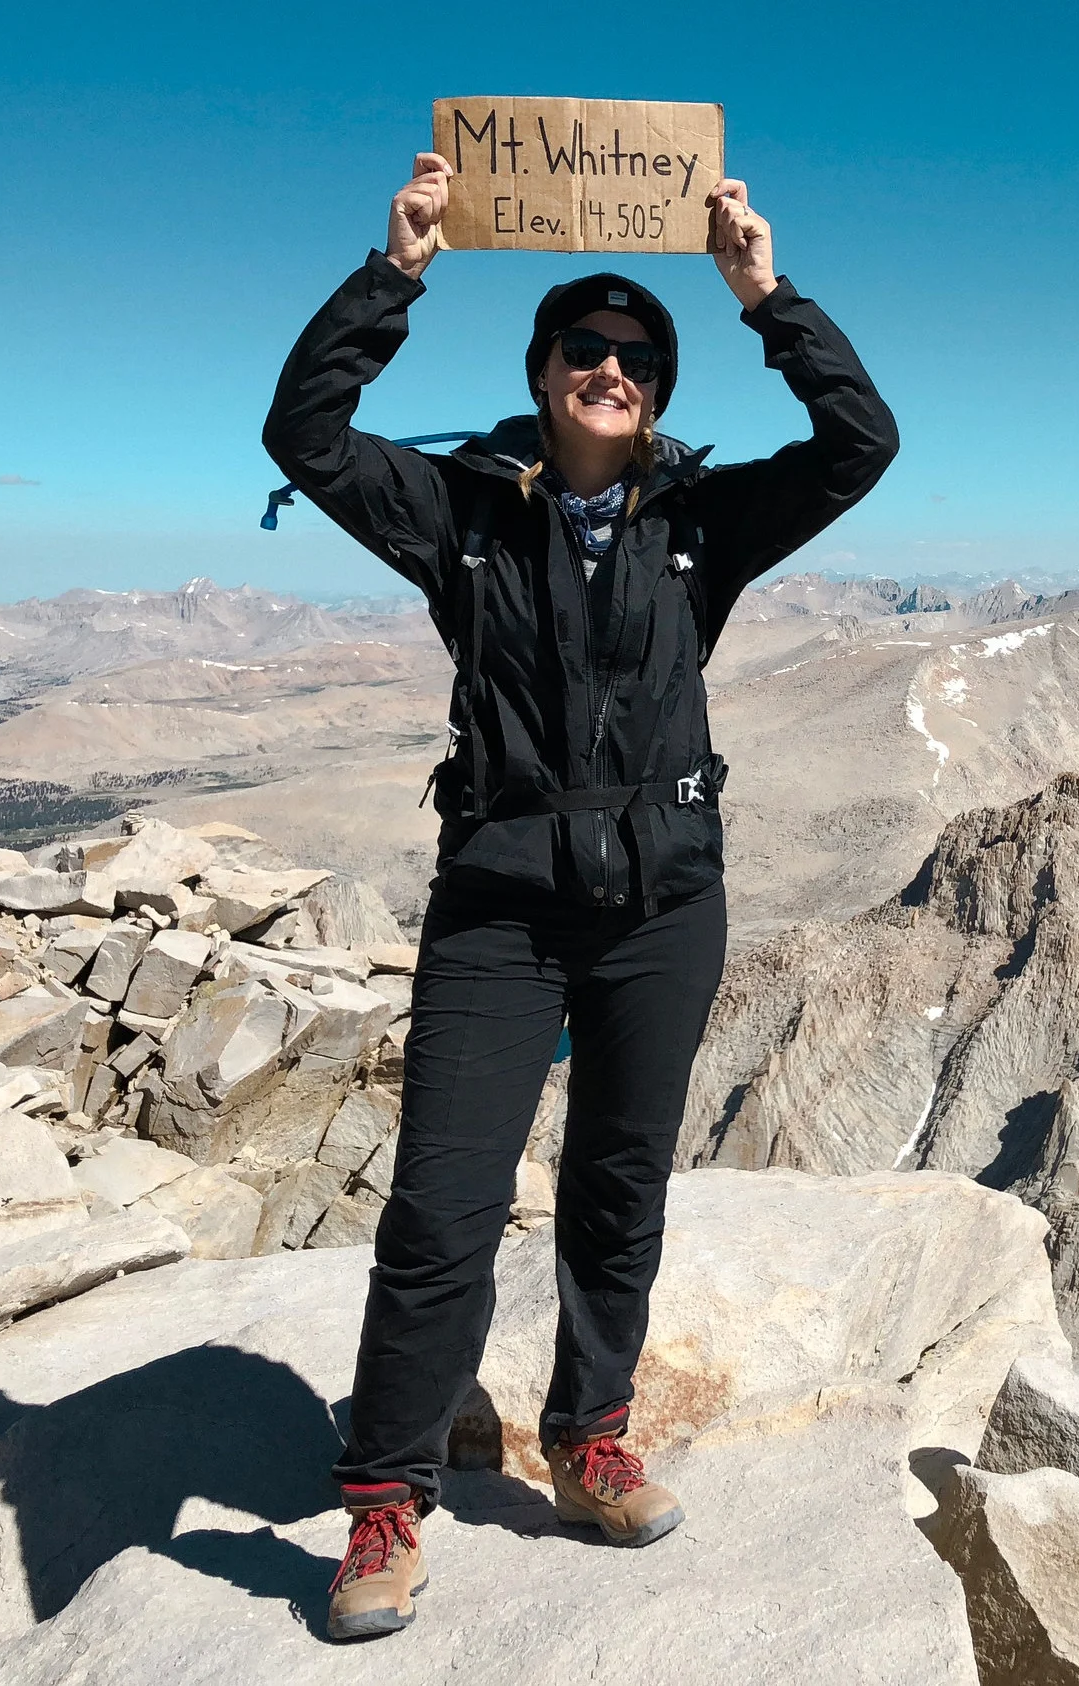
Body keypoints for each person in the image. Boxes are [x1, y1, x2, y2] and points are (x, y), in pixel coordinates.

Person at [263, 149, 897, 1642]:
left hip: (667, 903)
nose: (609, 369)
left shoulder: (705, 526)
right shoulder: (458, 515)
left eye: (635, 358)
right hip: (500, 903)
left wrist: (765, 295)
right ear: (543, 371)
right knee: (444, 1204)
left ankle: (588, 1433)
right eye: (583, 351)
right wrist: (397, 265)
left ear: (660, 392)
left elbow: (862, 441)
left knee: (620, 1187)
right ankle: (383, 1502)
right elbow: (302, 429)